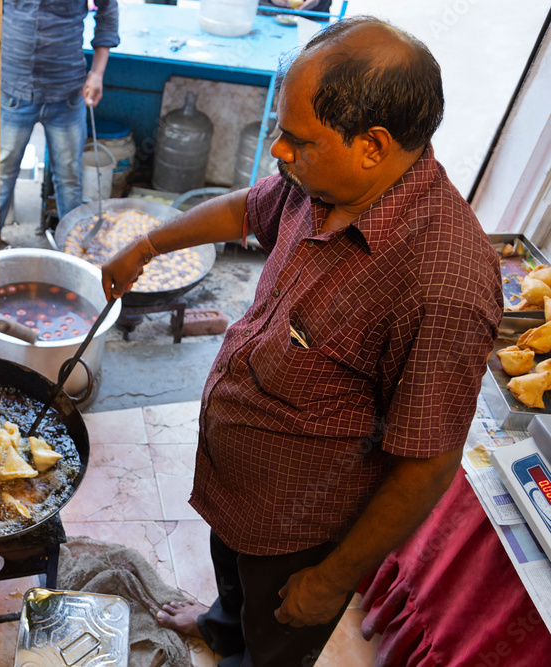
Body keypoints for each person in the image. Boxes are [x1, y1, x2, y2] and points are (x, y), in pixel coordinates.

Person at [101, 17, 503, 667]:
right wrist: (146, 245)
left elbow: (428, 464)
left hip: (298, 535)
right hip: (239, 497)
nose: (279, 153)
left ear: (372, 144)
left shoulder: (444, 282)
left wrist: (329, 579)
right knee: (234, 588)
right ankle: (221, 623)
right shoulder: (322, 181)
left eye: (296, 139)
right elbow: (246, 209)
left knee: (276, 637)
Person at [0, 0, 119, 243]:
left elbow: (107, 9)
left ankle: (72, 252)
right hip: (13, 90)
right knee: (0, 177)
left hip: (67, 93)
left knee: (69, 180)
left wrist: (97, 73)